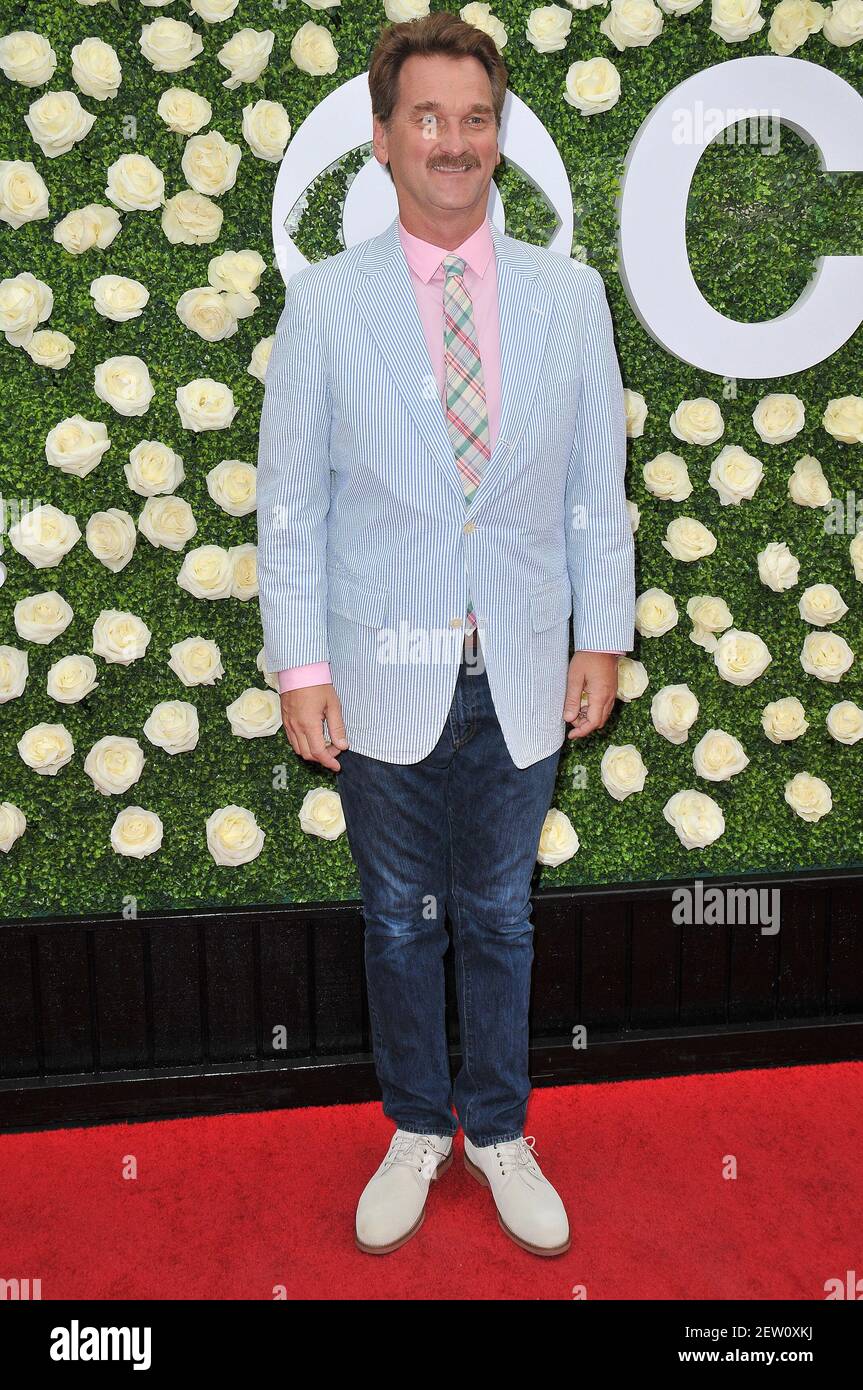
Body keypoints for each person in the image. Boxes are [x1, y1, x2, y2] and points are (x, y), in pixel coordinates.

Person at [256, 11, 635, 1258]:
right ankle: (417, 1123)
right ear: (382, 139)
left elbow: (595, 486)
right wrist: (301, 667)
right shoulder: (321, 307)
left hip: (523, 668)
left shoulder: (567, 297)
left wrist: (601, 638)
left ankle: (500, 1126)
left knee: (502, 914)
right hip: (378, 676)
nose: (452, 142)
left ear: (499, 135)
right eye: (427, 118)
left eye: (474, 119)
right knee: (398, 917)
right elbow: (294, 506)